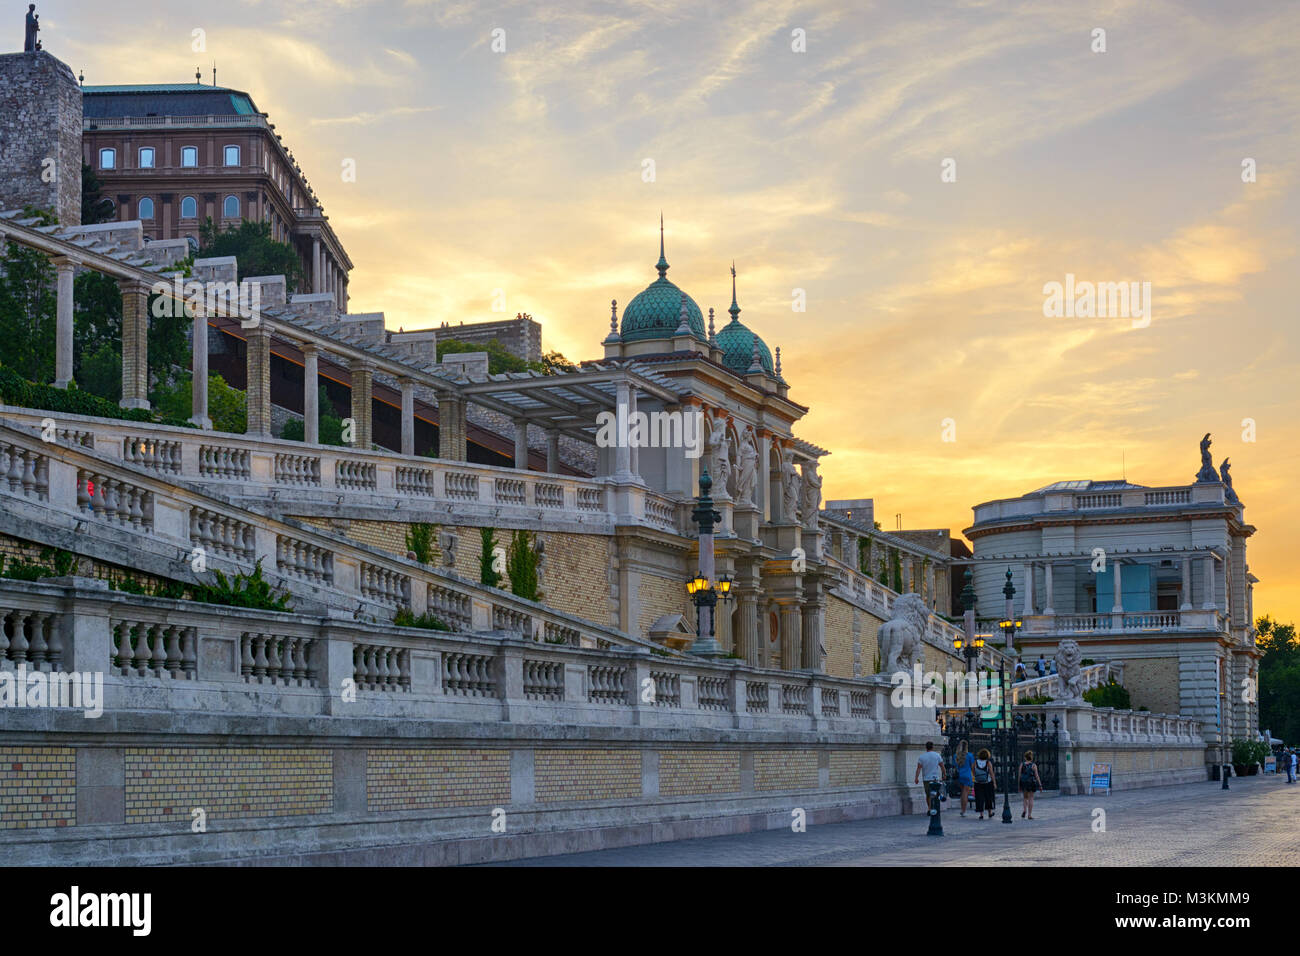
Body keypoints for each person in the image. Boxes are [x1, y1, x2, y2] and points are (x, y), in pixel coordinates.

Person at [914, 741, 946, 812]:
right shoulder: (937, 755)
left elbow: (918, 768)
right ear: (932, 747)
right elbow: (942, 766)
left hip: (926, 779)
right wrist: (944, 774)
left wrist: (916, 778)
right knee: (936, 792)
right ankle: (938, 800)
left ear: (926, 747)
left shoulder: (922, 757)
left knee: (928, 795)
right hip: (935, 778)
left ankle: (930, 808)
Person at [972, 748, 996, 819]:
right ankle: (990, 812)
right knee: (988, 797)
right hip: (987, 782)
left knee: (979, 798)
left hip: (978, 782)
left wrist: (976, 776)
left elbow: (973, 770)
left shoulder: (975, 762)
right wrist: (994, 782)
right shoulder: (988, 763)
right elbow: (991, 773)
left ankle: (981, 814)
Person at [1019, 750, 1043, 818]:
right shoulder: (1033, 765)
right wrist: (1040, 785)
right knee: (1031, 798)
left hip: (1024, 783)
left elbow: (1019, 776)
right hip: (1031, 782)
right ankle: (1029, 815)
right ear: (1031, 757)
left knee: (1025, 798)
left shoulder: (1022, 764)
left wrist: (1019, 785)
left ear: (1025, 757)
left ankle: (1024, 810)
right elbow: (1037, 776)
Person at [954, 740, 975, 816]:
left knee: (962, 792)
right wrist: (974, 775)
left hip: (960, 775)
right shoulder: (970, 755)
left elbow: (955, 767)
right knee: (965, 793)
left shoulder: (956, 756)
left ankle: (962, 809)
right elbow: (972, 767)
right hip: (967, 775)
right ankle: (963, 810)